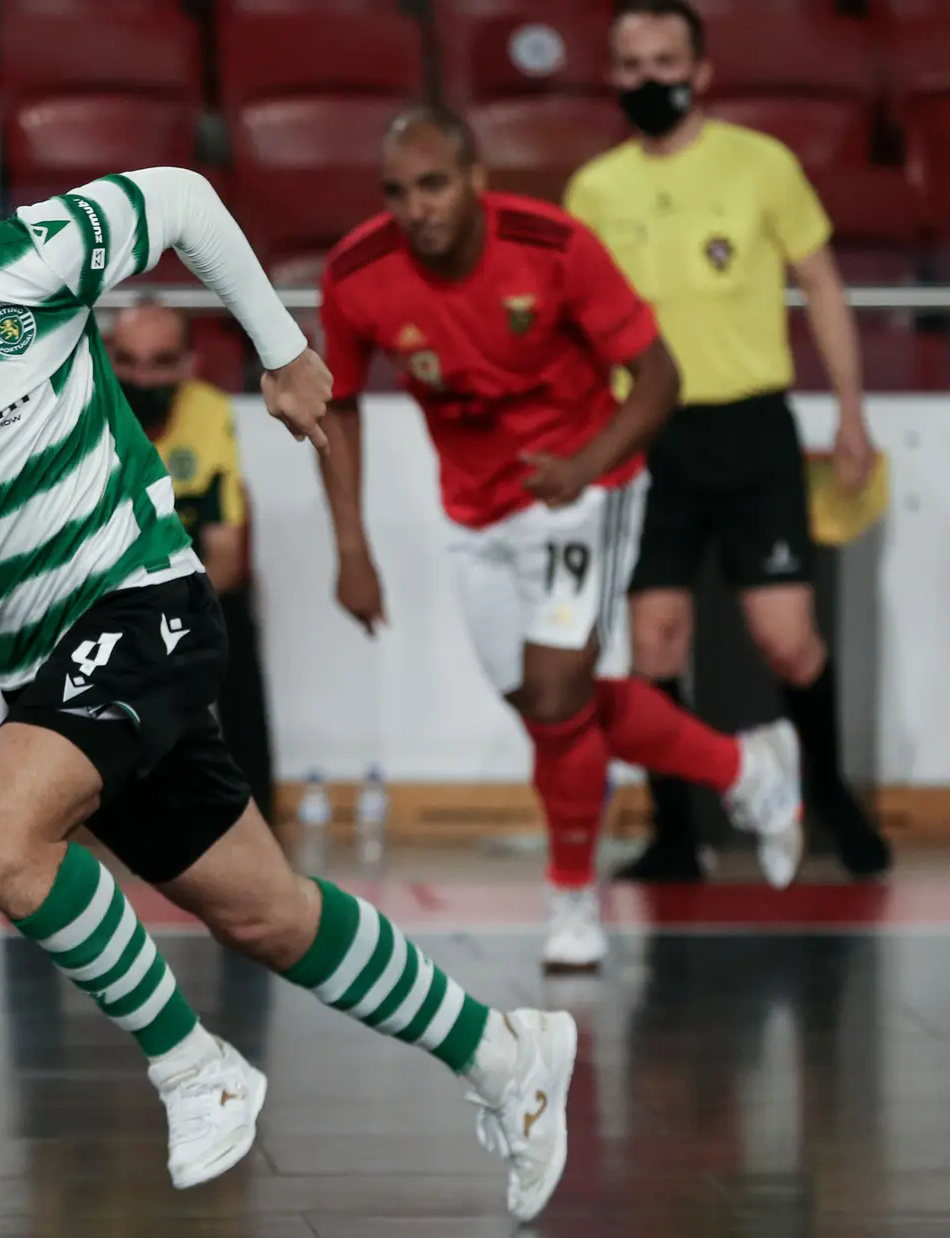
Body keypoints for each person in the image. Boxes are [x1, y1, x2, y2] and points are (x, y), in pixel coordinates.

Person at [0, 78, 579, 1223]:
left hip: (144, 606)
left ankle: (192, 1063)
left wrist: (279, 346)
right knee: (267, 913)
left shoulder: (30, 257)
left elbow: (179, 197)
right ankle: (506, 1052)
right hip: (43, 672)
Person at [314, 107, 804, 971]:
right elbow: (339, 405)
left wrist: (588, 463)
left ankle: (572, 899)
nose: (415, 208)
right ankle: (744, 765)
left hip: (586, 489)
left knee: (555, 692)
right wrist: (351, 548)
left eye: (433, 185)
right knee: (551, 710)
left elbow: (660, 377)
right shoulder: (357, 273)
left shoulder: (554, 246)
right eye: (397, 191)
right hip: (475, 513)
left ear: (475, 179)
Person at [565, 0, 891, 882]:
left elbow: (820, 283)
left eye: (665, 61)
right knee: (656, 638)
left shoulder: (762, 166)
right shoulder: (595, 189)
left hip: (750, 427)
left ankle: (828, 792)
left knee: (786, 635)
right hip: (648, 437)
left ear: (702, 71)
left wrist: (851, 414)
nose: (649, 80)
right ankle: (676, 835)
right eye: (631, 65)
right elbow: (579, 327)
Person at [106, 301, 276, 823]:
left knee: (233, 628)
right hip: (99, 585)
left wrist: (168, 620)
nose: (142, 376)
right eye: (128, 361)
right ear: (106, 359)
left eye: (161, 362)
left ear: (188, 364)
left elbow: (225, 550)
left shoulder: (210, 412)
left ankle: (255, 814)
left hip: (190, 582)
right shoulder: (82, 413)